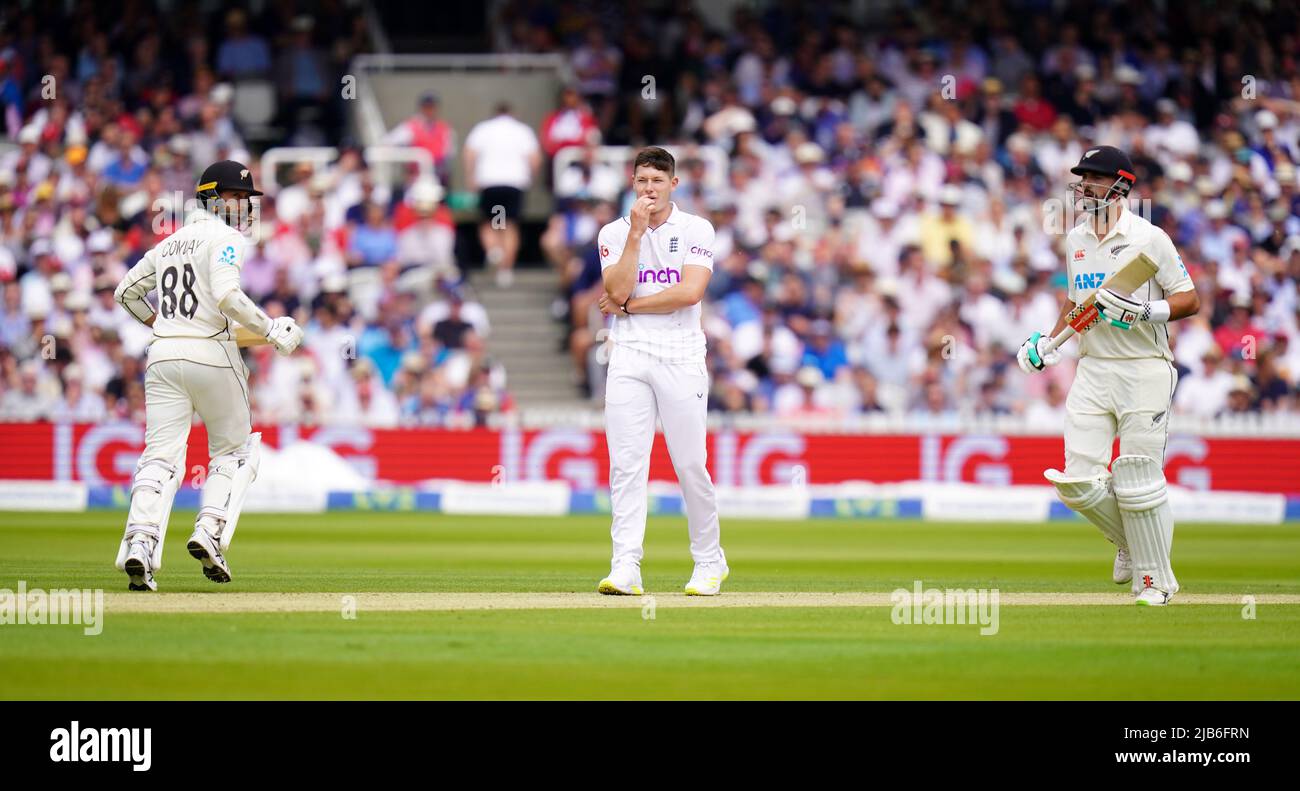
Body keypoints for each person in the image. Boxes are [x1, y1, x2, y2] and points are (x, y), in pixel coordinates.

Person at [1018, 145, 1200, 606]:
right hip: (1092, 368)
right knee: (1076, 481)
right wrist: (1048, 344)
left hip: (1144, 370)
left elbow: (1189, 299)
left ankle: (1157, 583)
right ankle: (1131, 543)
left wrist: (1144, 310)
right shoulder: (1075, 238)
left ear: (1121, 186)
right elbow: (1077, 304)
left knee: (1138, 478)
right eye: (1081, 179)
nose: (1084, 187)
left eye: (1094, 179)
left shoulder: (1149, 237)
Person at [112, 160, 304, 591]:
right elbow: (228, 297)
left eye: (246, 199)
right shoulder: (225, 239)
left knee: (160, 456)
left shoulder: (171, 243)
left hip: (163, 355)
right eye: (236, 197)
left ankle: (140, 542)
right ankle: (209, 531)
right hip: (213, 355)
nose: (244, 207)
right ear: (211, 198)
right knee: (236, 452)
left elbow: (126, 292)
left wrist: (164, 323)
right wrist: (272, 329)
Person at [594, 147, 726, 596]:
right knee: (627, 465)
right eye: (642, 180)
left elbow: (690, 292)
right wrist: (634, 235)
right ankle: (626, 566)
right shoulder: (613, 232)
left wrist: (629, 307)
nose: (649, 189)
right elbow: (614, 287)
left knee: (690, 464)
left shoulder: (696, 228)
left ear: (674, 184)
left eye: (657, 180)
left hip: (680, 354)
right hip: (628, 354)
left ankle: (710, 561)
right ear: (632, 184)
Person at [462, 103, 540, 288]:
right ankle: (505, 270)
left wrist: (470, 177)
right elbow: (535, 158)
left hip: (490, 182)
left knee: (492, 223)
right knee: (508, 225)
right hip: (514, 182)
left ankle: (494, 250)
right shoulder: (523, 131)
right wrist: (530, 178)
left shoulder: (483, 129)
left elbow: (469, 153)